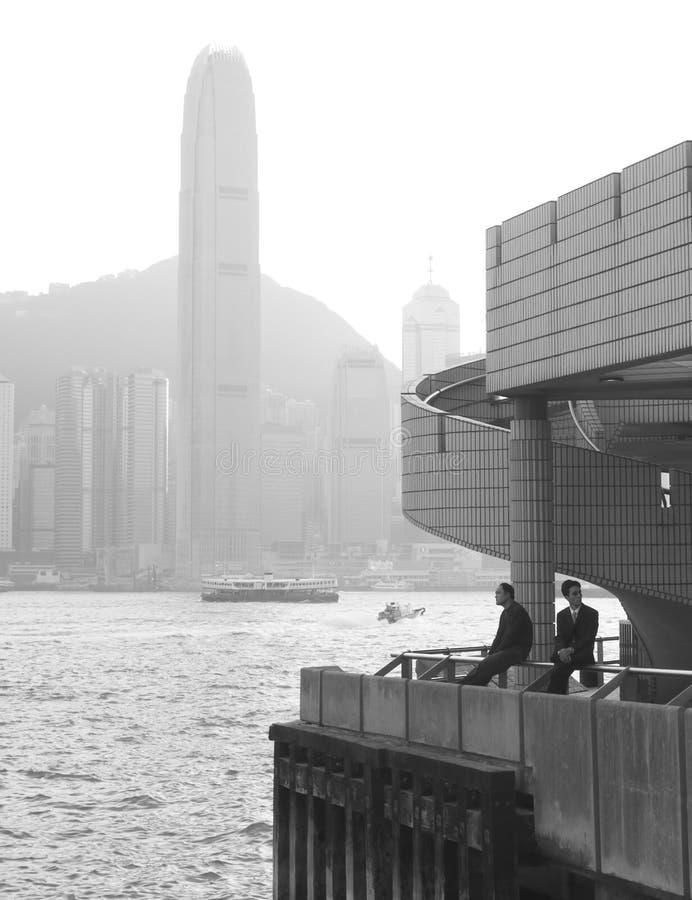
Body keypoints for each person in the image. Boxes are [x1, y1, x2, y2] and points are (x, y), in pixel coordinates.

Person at [458, 583, 533, 686]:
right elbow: (499, 636)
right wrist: (491, 653)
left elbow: (510, 637)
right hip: (508, 650)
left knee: (486, 664)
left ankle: (463, 687)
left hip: (517, 651)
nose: (495, 596)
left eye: (498, 593)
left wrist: (495, 653)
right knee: (485, 665)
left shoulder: (517, 611)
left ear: (508, 595)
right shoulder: (505, 613)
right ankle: (465, 686)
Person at [547, 579, 599, 694]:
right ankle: (555, 701)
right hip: (566, 656)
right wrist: (561, 650)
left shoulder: (592, 614)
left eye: (580, 592)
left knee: (558, 672)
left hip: (583, 654)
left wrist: (570, 650)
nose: (579, 596)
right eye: (575, 593)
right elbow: (560, 637)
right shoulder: (561, 615)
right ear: (566, 597)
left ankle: (552, 701)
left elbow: (588, 638)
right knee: (557, 672)